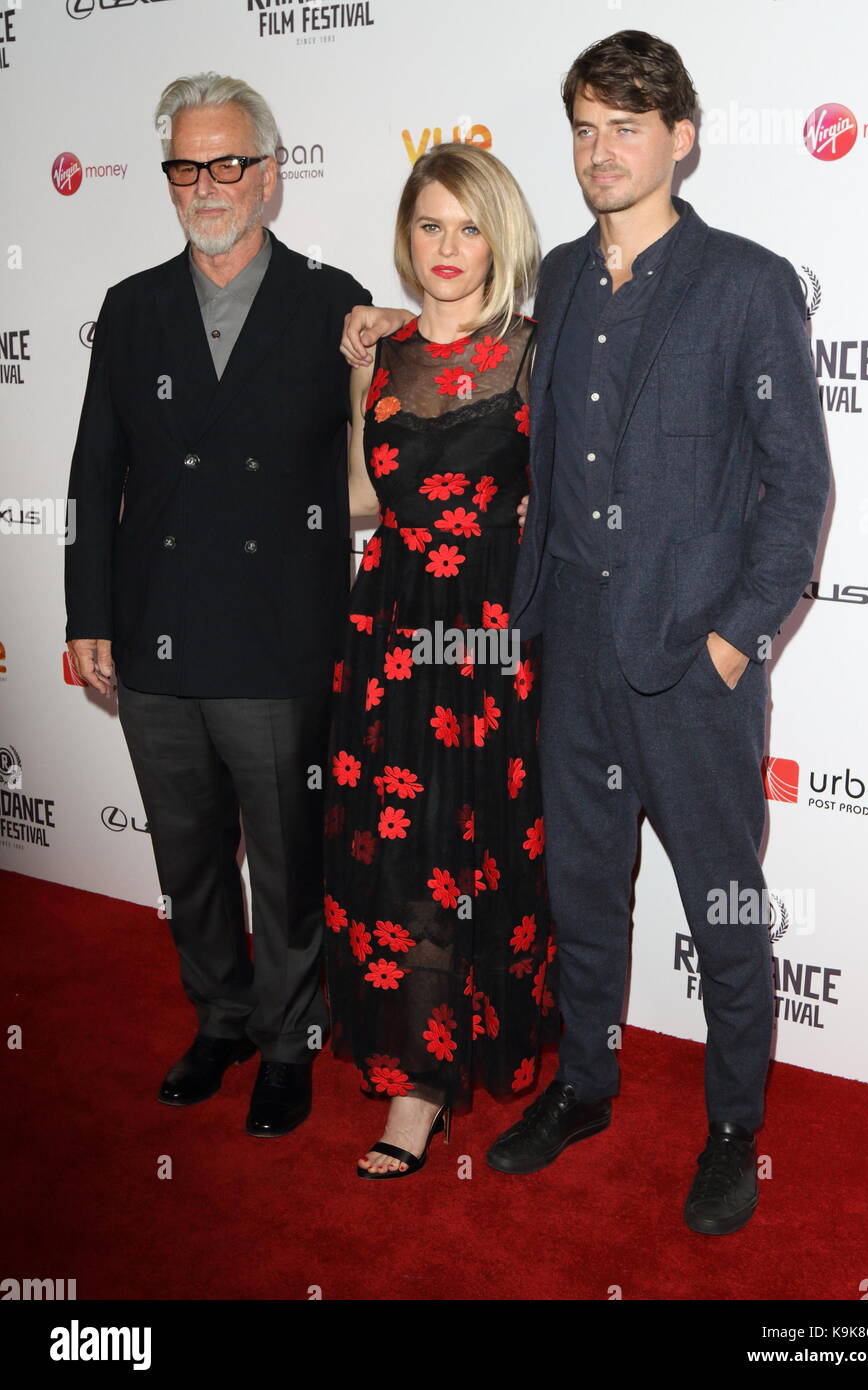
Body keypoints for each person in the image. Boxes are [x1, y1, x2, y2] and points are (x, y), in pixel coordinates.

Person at [343, 30, 830, 1230]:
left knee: (721, 904)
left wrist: (733, 639)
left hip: (692, 668)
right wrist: (374, 330)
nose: (599, 150)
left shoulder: (746, 281)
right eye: (583, 127)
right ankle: (585, 1082)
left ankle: (729, 1127)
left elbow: (797, 488)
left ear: (681, 138)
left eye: (626, 126)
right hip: (561, 656)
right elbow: (459, 351)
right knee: (579, 895)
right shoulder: (555, 279)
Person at [65, 73, 371, 1137]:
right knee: (187, 855)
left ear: (270, 173)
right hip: (154, 630)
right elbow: (94, 467)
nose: (208, 184)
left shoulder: (334, 303)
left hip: (279, 636)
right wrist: (85, 613)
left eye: (229, 162)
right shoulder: (130, 305)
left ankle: (289, 1039)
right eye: (187, 165)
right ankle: (223, 1016)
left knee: (288, 856)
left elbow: (375, 474)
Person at [324, 143, 557, 1177]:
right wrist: (360, 374)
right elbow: (367, 501)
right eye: (430, 225)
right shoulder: (383, 349)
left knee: (474, 855)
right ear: (406, 238)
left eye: (468, 226)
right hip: (389, 629)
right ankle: (416, 1086)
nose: (448, 246)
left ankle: (460, 1063)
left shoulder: (536, 352)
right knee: (405, 856)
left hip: (489, 633)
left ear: (498, 237)